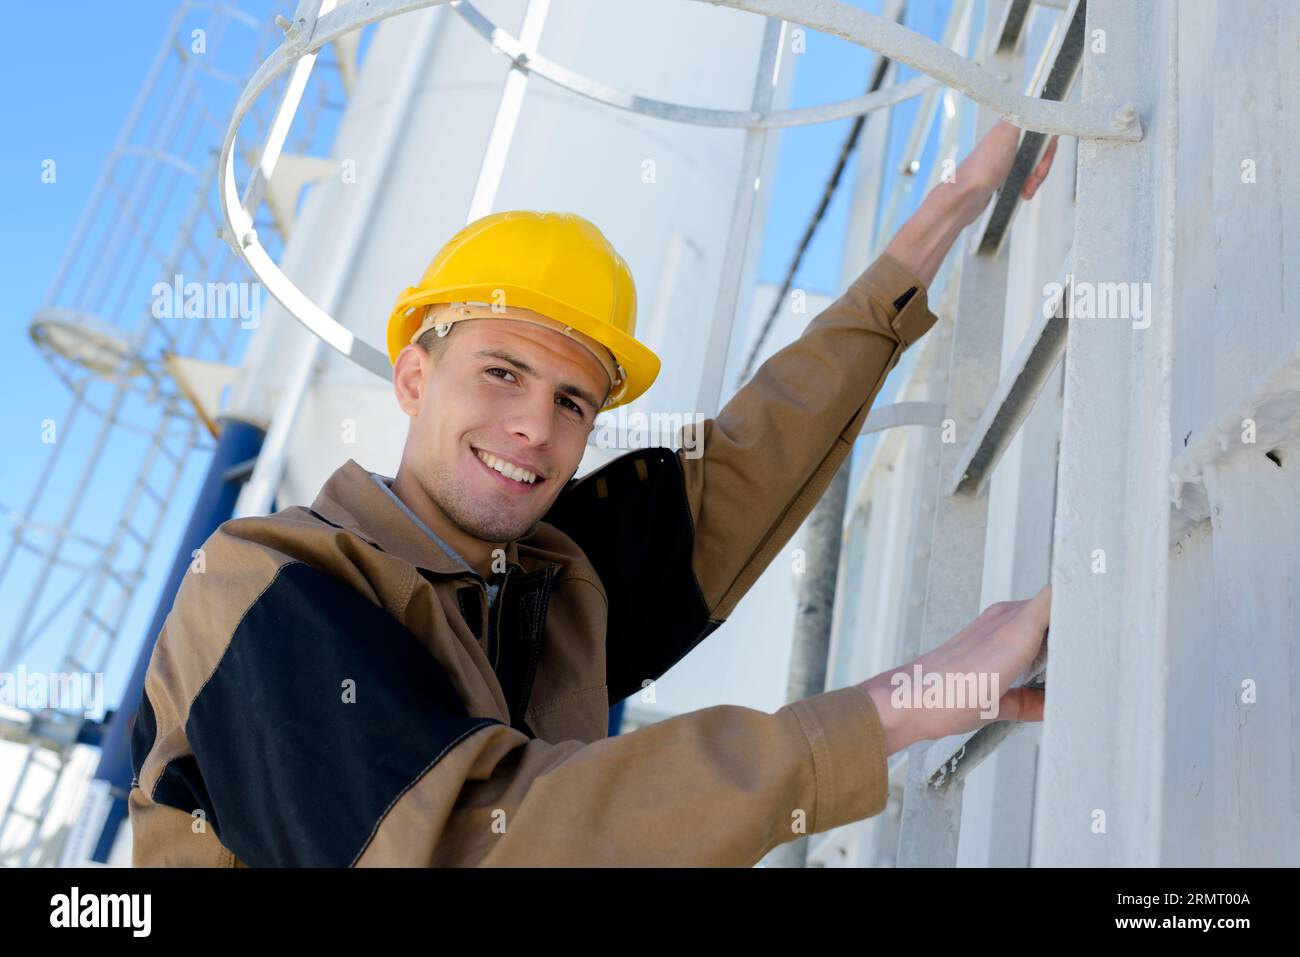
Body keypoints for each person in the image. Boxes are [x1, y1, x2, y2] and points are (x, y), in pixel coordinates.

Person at [128, 120, 1057, 867]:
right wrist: (898, 704)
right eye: (501, 371)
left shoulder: (542, 588)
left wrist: (948, 211)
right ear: (413, 377)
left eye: (573, 400)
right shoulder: (263, 581)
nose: (535, 425)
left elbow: (748, 464)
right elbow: (465, 841)